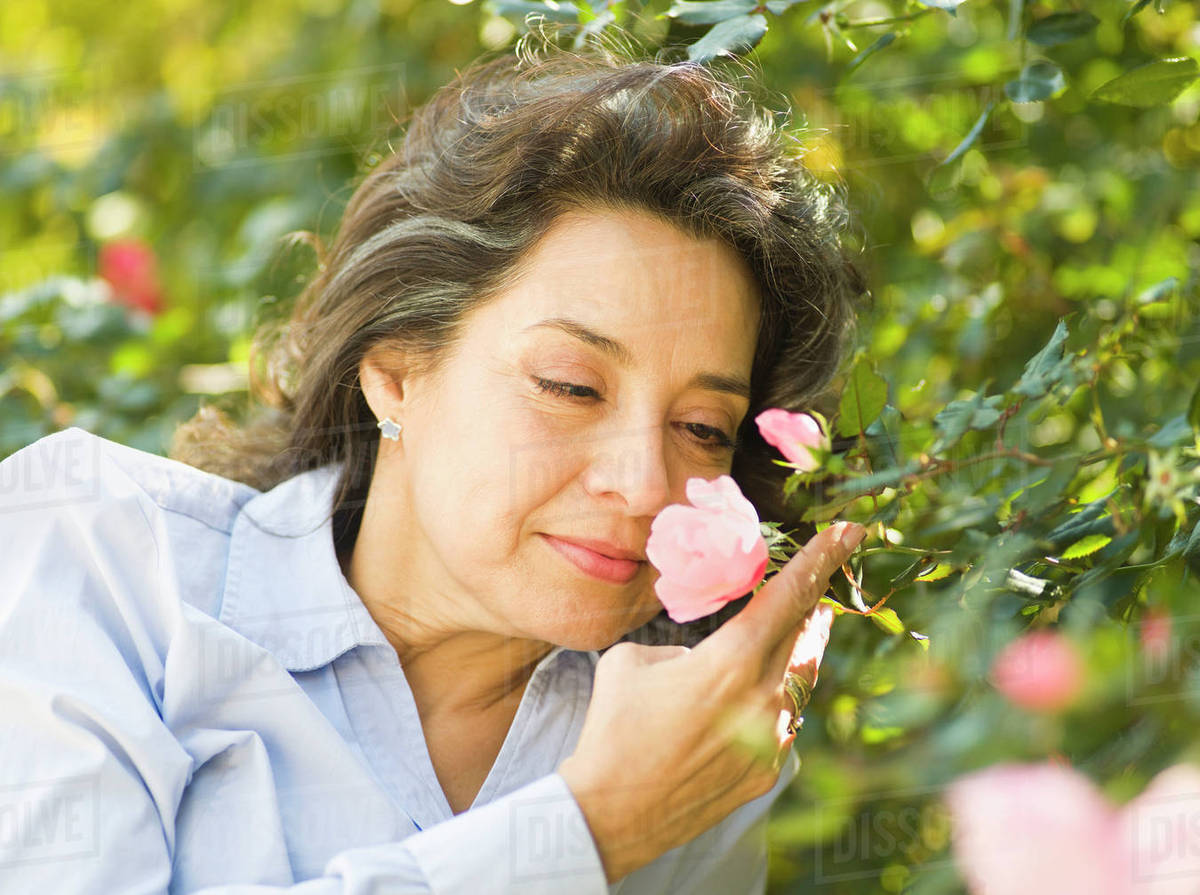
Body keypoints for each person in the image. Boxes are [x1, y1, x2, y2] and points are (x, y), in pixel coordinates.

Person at [0, 20, 869, 894]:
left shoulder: (695, 735)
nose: (645, 485)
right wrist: (593, 829)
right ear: (396, 370)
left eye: (702, 429)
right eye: (571, 385)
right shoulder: (100, 558)